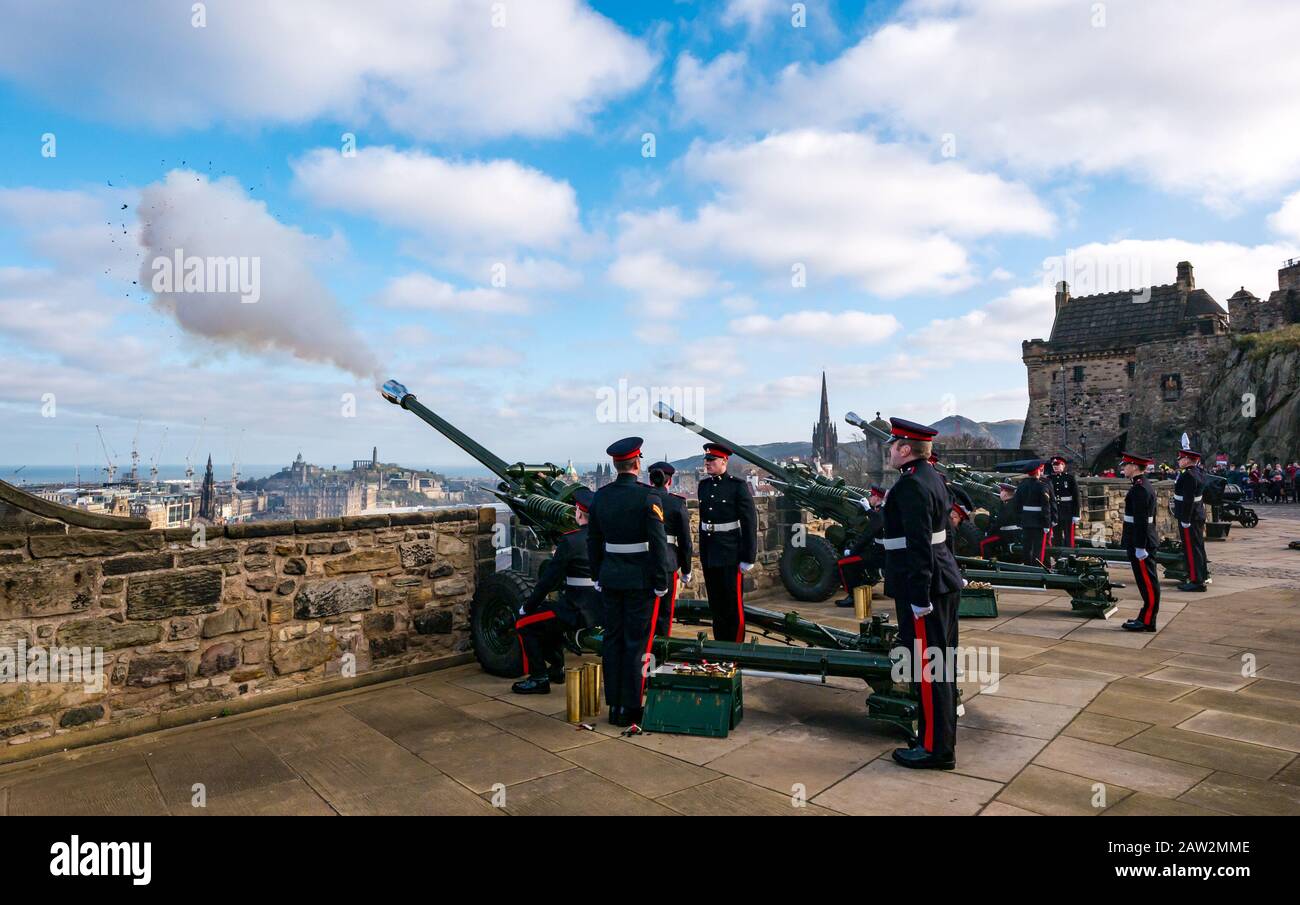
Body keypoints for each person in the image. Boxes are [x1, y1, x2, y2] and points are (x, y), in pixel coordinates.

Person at [879, 417, 962, 770]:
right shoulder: (931, 477)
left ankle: (936, 749)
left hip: (925, 587)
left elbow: (919, 543)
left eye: (893, 446)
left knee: (930, 669)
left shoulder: (912, 485)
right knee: (938, 664)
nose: (890, 452)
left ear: (905, 449)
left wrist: (919, 595)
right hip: (940, 579)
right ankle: (934, 737)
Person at [587, 437, 670, 727]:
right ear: (637, 463)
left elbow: (593, 541)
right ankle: (631, 707)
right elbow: (659, 545)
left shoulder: (601, 496)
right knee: (636, 643)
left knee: (612, 641)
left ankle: (614, 706)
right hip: (640, 580)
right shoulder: (648, 497)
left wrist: (597, 574)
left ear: (615, 464)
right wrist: (661, 581)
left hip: (610, 577)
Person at [512, 488, 601, 694]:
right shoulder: (607, 537)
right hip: (601, 608)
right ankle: (557, 668)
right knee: (548, 617)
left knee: (526, 623)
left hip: (577, 610)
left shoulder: (570, 541)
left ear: (578, 513)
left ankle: (539, 678)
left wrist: (527, 606)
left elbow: (548, 581)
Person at [696, 442, 758, 642]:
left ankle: (735, 649)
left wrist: (748, 556)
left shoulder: (737, 486)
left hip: (730, 553)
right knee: (716, 604)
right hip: (710, 553)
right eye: (706, 460)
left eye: (711, 460)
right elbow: (704, 522)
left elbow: (750, 523)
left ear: (724, 461)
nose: (707, 463)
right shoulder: (703, 486)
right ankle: (720, 645)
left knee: (732, 605)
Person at [647, 461, 693, 635]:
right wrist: (686, 569)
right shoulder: (676, 503)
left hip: (643, 559)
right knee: (664, 613)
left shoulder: (643, 499)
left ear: (651, 480)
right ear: (670, 481)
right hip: (668, 562)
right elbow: (685, 541)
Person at [1120, 452, 1161, 632]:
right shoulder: (1141, 486)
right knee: (1144, 582)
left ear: (1135, 467)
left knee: (1148, 583)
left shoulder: (1140, 488)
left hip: (1141, 542)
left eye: (1126, 465)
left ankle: (1148, 620)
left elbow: (1142, 520)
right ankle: (1145, 617)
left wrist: (1140, 546)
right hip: (1140, 540)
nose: (1123, 468)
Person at [836, 485, 886, 608]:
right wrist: (868, 510)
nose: (869, 498)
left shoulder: (880, 513)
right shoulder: (882, 510)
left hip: (880, 554)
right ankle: (861, 589)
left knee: (844, 563)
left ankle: (853, 597)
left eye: (871, 496)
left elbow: (866, 536)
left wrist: (852, 552)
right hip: (881, 550)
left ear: (877, 498)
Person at [1173, 447, 1209, 592]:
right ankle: (1201, 575)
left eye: (1181, 458)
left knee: (1191, 549)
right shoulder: (1198, 472)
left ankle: (1196, 581)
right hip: (1197, 514)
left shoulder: (1188, 475)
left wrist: (1185, 519)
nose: (1179, 461)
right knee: (1198, 547)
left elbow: (1188, 499)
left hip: (1190, 517)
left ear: (1187, 460)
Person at [1012, 460, 1053, 567]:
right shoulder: (1042, 486)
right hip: (1039, 521)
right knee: (1038, 548)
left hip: (1025, 520)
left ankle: (1027, 566)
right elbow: (1046, 507)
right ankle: (1037, 567)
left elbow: (1016, 505)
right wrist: (1046, 523)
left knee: (1027, 546)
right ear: (1038, 471)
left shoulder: (1021, 486)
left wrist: (1019, 521)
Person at [979, 481, 1019, 559]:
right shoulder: (1010, 503)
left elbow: (1000, 522)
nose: (1000, 493)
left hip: (1008, 534)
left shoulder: (1008, 506)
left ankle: (987, 564)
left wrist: (989, 533)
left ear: (1005, 493)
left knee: (983, 543)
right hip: (1010, 533)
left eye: (1001, 491)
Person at [1049, 455, 1080, 547]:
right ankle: (1057, 556)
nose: (1055, 466)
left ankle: (1070, 554)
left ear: (1063, 465)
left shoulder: (1069, 478)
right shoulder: (1049, 479)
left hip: (1067, 510)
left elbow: (1076, 497)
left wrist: (1076, 514)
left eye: (1057, 464)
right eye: (1054, 465)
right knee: (1056, 534)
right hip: (1055, 510)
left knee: (1068, 535)